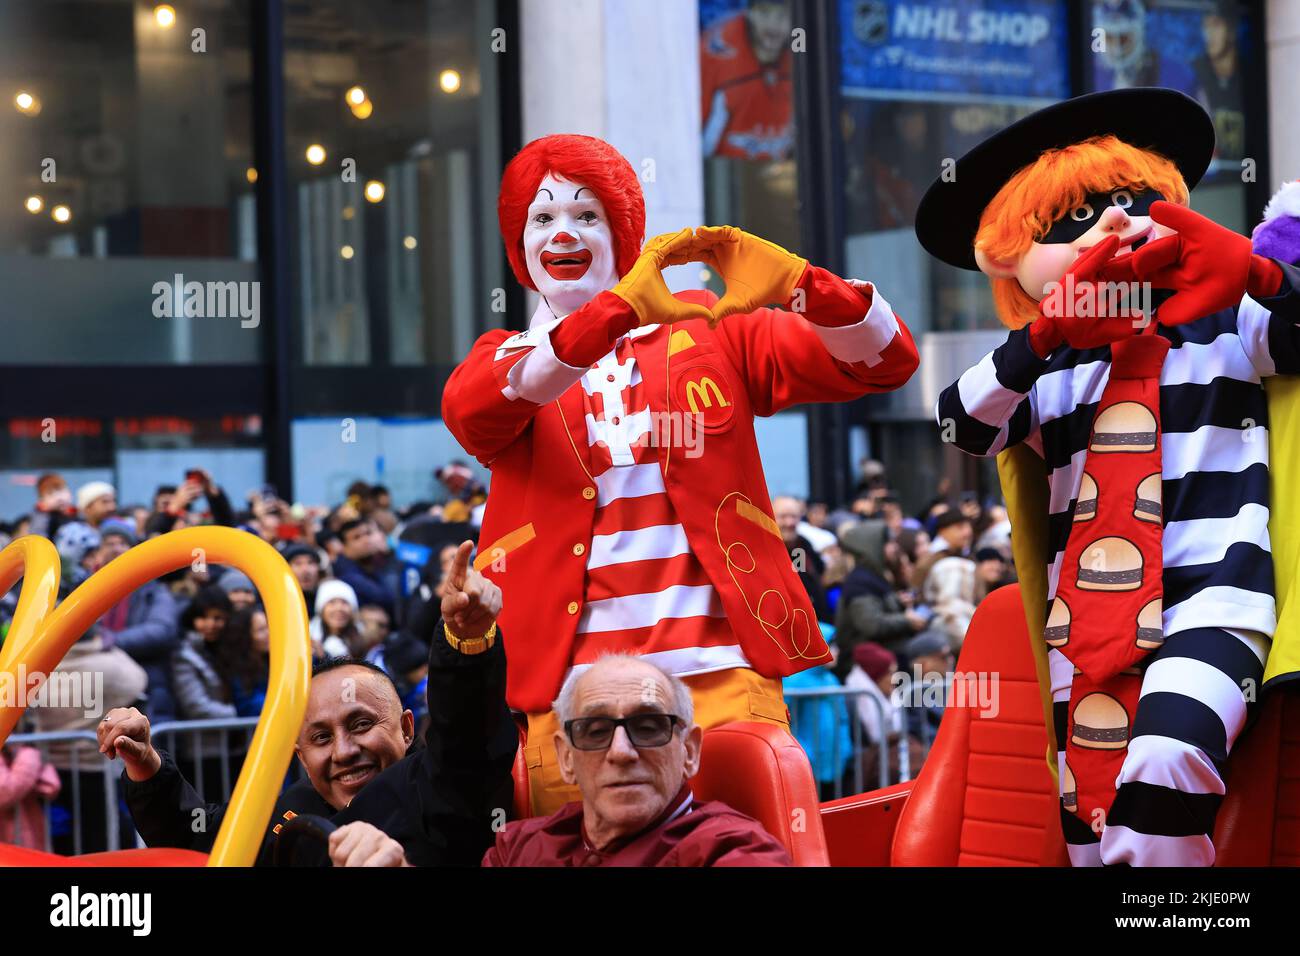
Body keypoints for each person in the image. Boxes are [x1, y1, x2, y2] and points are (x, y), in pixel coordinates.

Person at [443, 132, 918, 814]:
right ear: (519, 245)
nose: (562, 233)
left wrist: (803, 284)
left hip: (720, 684)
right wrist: (616, 313)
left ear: (623, 232)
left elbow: (883, 361)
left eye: (586, 215)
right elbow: (477, 411)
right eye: (542, 218)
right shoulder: (508, 358)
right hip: (574, 702)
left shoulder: (712, 328)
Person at [923, 87, 1300, 865]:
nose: (1111, 223)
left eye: (1134, 200)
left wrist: (1262, 275)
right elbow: (961, 421)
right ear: (1013, 261)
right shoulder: (1043, 367)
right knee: (1088, 830)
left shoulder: (1225, 321)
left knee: (1163, 766)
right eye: (1068, 220)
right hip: (1084, 633)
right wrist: (1049, 332)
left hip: (1212, 598)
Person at [103, 658, 417, 867]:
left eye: (361, 724)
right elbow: (198, 837)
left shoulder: (446, 796)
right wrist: (144, 760)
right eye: (321, 738)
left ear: (406, 730)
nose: (344, 751)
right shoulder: (298, 807)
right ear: (302, 757)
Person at [483, 654, 791, 866]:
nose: (621, 752)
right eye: (595, 731)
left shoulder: (731, 851)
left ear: (689, 751)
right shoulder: (518, 848)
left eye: (647, 728)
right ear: (566, 758)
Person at [94, 519, 181, 721]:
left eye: (122, 543)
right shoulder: (86, 590)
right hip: (102, 691)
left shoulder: (153, 590)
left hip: (148, 691)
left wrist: (112, 641)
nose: (115, 549)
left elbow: (162, 630)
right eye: (109, 543)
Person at [833, 521, 928, 675]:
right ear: (873, 547)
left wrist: (897, 602)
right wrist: (907, 621)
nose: (894, 548)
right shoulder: (860, 581)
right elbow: (871, 624)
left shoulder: (874, 576)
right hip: (867, 666)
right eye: (888, 543)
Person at [332, 518, 402, 624]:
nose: (366, 540)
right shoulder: (346, 573)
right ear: (344, 547)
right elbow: (388, 599)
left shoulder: (371, 563)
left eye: (368, 533)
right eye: (357, 537)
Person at [0, 744, 61, 848]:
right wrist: (29, 755)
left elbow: (51, 786)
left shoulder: (19, 748)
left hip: (28, 829)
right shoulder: (28, 754)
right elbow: (4, 793)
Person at [310, 579, 364, 659]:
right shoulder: (307, 640)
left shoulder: (364, 641)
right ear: (321, 610)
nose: (339, 608)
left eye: (344, 602)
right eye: (332, 602)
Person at [282, 543, 322, 613]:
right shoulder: (276, 600)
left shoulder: (326, 599)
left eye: (310, 563)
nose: (305, 570)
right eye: (298, 563)